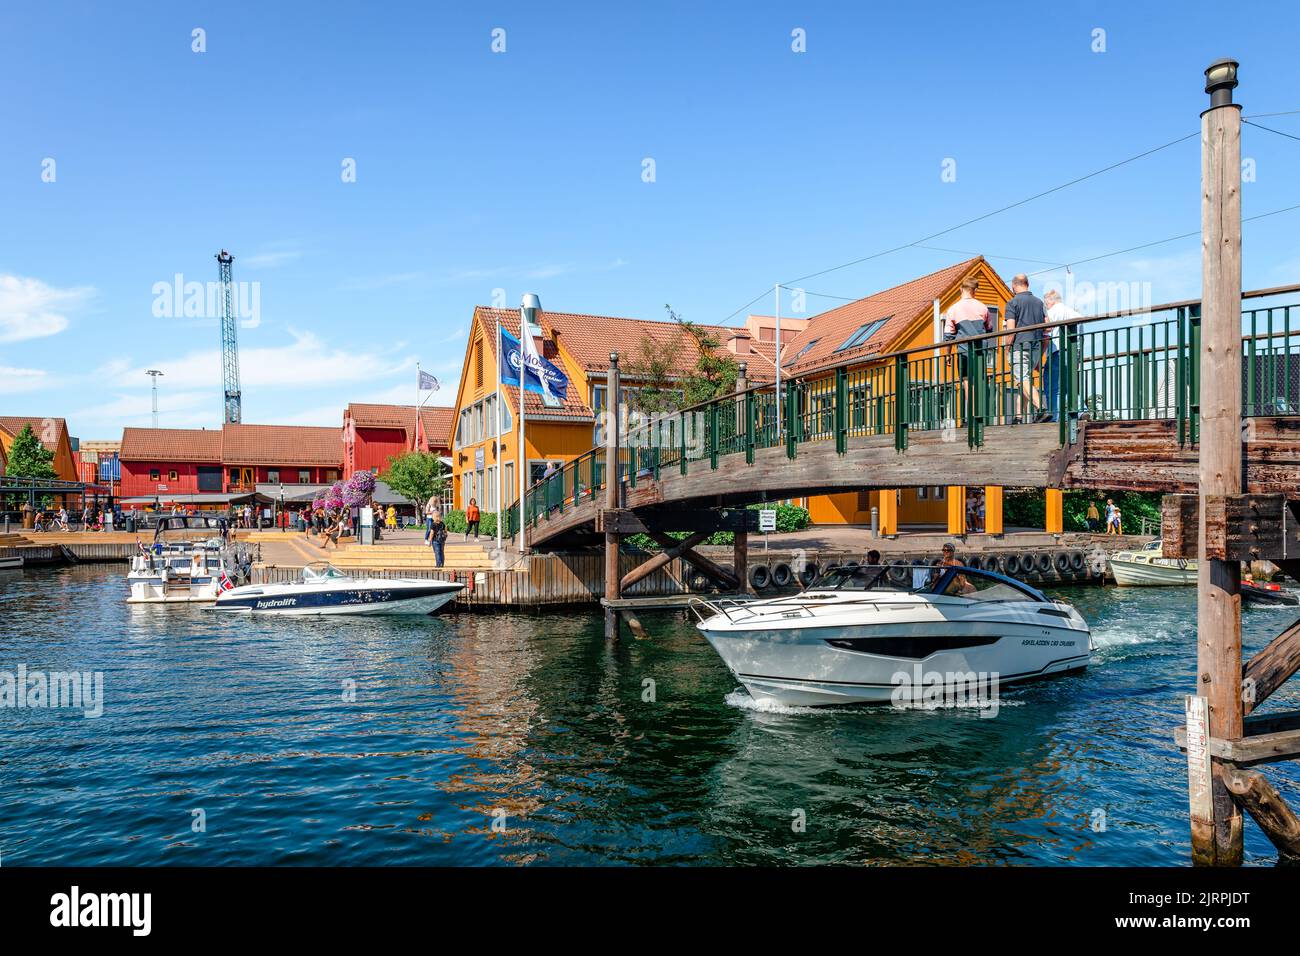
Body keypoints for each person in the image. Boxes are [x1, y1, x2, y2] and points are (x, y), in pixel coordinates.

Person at [942, 276, 993, 410]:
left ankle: (972, 413)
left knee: (967, 381)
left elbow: (949, 336)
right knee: (980, 381)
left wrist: (947, 355)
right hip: (980, 351)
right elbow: (989, 330)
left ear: (961, 289)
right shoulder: (983, 307)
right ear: (975, 290)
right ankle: (981, 411)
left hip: (963, 351)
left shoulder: (953, 309)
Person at [1006, 274, 1049, 422]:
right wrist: (1042, 351)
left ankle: (1041, 409)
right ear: (1027, 284)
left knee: (1023, 379)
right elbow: (1047, 327)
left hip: (1019, 346)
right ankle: (1019, 416)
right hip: (1036, 346)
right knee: (1024, 380)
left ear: (1013, 286)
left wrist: (1006, 349)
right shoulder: (1039, 303)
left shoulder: (1012, 303)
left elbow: (1011, 330)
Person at [1042, 289, 1081, 422]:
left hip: (1057, 351)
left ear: (1050, 302)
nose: (1045, 306)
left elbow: (1046, 332)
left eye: (1046, 304)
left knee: (1053, 385)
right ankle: (1081, 411)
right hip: (1073, 351)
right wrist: (1078, 356)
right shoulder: (1075, 314)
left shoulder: (1052, 313)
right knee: (1070, 384)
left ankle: (1054, 416)